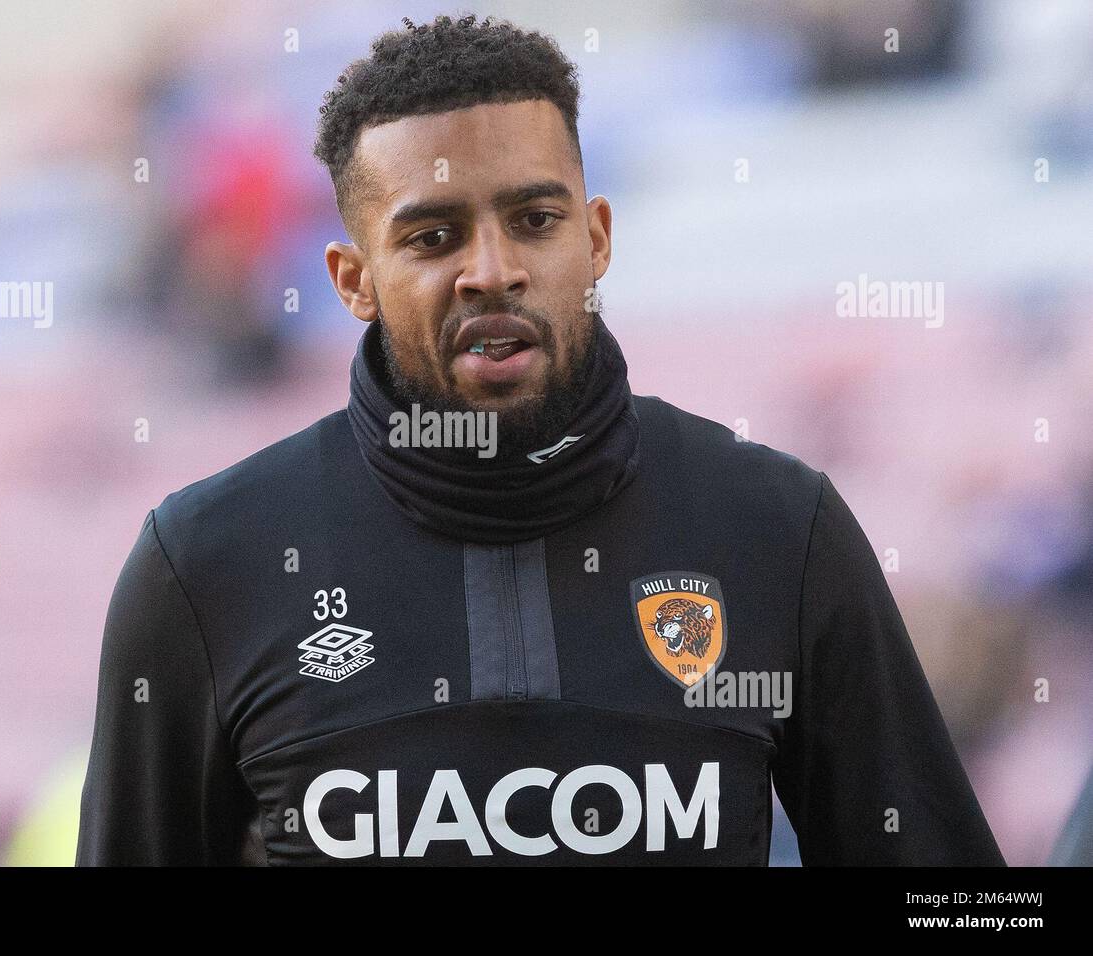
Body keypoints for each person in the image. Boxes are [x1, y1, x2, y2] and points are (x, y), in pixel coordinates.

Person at [75, 14, 1004, 866]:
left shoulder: (773, 528)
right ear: (353, 277)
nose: (493, 271)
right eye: (435, 237)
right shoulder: (206, 563)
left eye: (535, 220)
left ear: (596, 237)